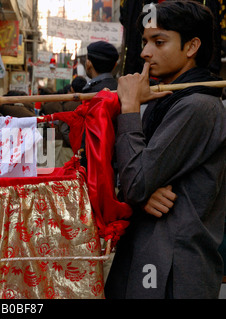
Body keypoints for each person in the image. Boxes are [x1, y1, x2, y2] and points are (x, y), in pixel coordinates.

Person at [105, 0, 226, 299]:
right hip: (145, 251)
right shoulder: (162, 100)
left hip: (172, 267)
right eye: (145, 42)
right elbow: (132, 176)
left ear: (191, 46)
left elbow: (136, 180)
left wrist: (130, 107)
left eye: (159, 42)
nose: (145, 53)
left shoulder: (198, 105)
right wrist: (142, 192)